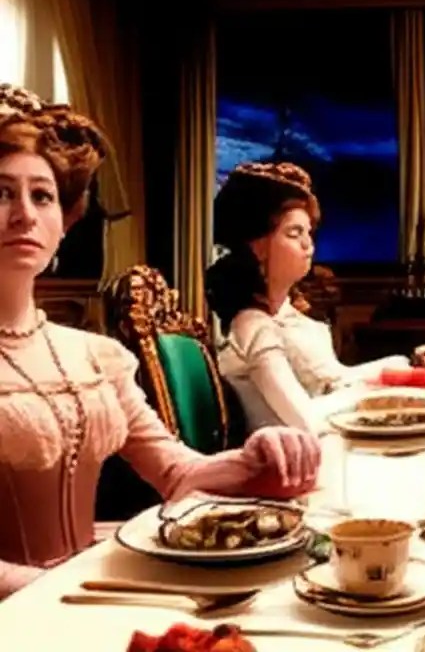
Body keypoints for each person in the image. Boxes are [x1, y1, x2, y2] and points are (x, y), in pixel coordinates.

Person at [0, 85, 320, 598]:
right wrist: (73, 591)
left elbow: (177, 471)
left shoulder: (94, 356)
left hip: (82, 593)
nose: (25, 215)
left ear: (65, 219)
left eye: (42, 195)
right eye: (2, 193)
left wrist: (257, 456)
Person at [207, 161, 407, 433]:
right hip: (292, 453)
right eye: (294, 233)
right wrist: (376, 392)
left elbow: (336, 380)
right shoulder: (253, 325)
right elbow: (306, 420)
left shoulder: (285, 314)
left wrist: (401, 369)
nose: (308, 244)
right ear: (257, 247)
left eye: (309, 232)